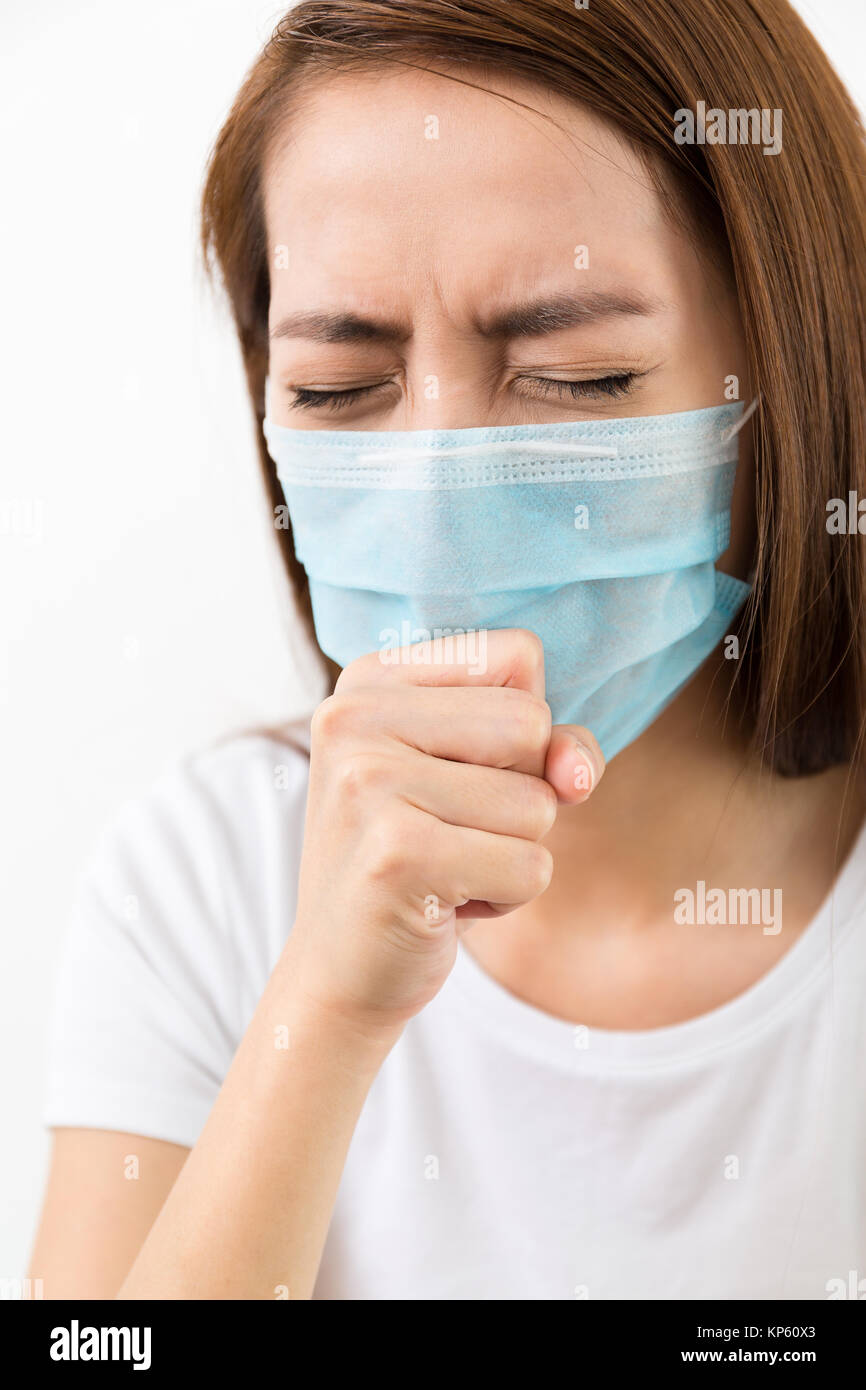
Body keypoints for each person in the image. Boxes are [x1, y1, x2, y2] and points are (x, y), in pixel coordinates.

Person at [31, 0, 866, 1299]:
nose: (430, 494)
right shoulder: (199, 884)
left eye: (577, 376)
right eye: (336, 390)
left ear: (792, 368)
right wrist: (326, 1010)